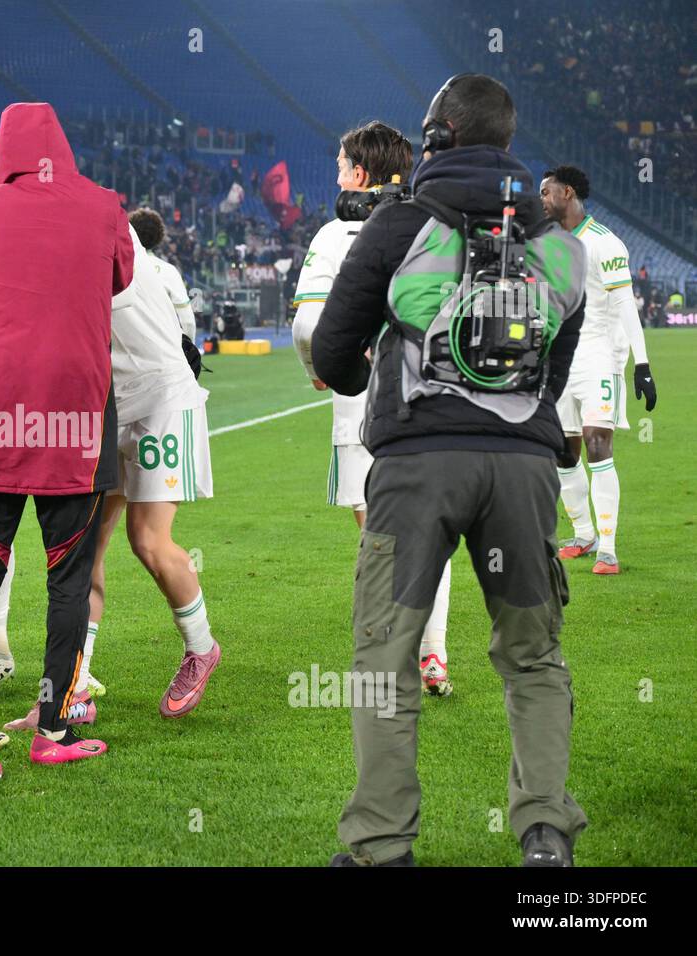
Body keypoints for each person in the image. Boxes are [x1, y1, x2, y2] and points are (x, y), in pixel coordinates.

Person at [313, 74, 589, 866]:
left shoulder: (397, 225)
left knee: (384, 657)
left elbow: (335, 357)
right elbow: (552, 378)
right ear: (506, 142)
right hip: (524, 471)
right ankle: (544, 833)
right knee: (532, 655)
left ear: (435, 137)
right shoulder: (560, 246)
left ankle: (380, 845)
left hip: (415, 469)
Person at [0, 102, 134, 778]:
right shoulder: (107, 206)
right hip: (74, 420)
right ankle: (50, 726)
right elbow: (121, 277)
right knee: (68, 580)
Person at [292, 121, 454, 697]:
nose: (337, 175)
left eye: (340, 166)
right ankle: (433, 655)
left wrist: (321, 368)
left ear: (359, 175)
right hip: (438, 401)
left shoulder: (338, 235)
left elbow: (309, 322)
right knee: (430, 527)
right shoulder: (439, 228)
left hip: (364, 407)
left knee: (378, 536)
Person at [62, 212, 219, 731]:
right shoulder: (77, 225)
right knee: (85, 550)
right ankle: (74, 688)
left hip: (160, 399)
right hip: (112, 404)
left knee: (148, 540)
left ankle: (201, 649)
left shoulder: (104, 229)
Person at [540, 165, 658, 575]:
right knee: (563, 450)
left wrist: (641, 365)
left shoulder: (605, 244)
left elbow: (627, 307)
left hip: (598, 356)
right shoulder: (550, 244)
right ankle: (583, 533)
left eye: (547, 192)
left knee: (596, 443)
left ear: (567, 192)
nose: (541, 199)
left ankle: (608, 547)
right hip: (559, 360)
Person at [129, 207, 197, 341]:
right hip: (163, 351)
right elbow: (187, 320)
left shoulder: (115, 269)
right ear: (159, 237)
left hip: (122, 355)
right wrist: (190, 349)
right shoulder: (168, 271)